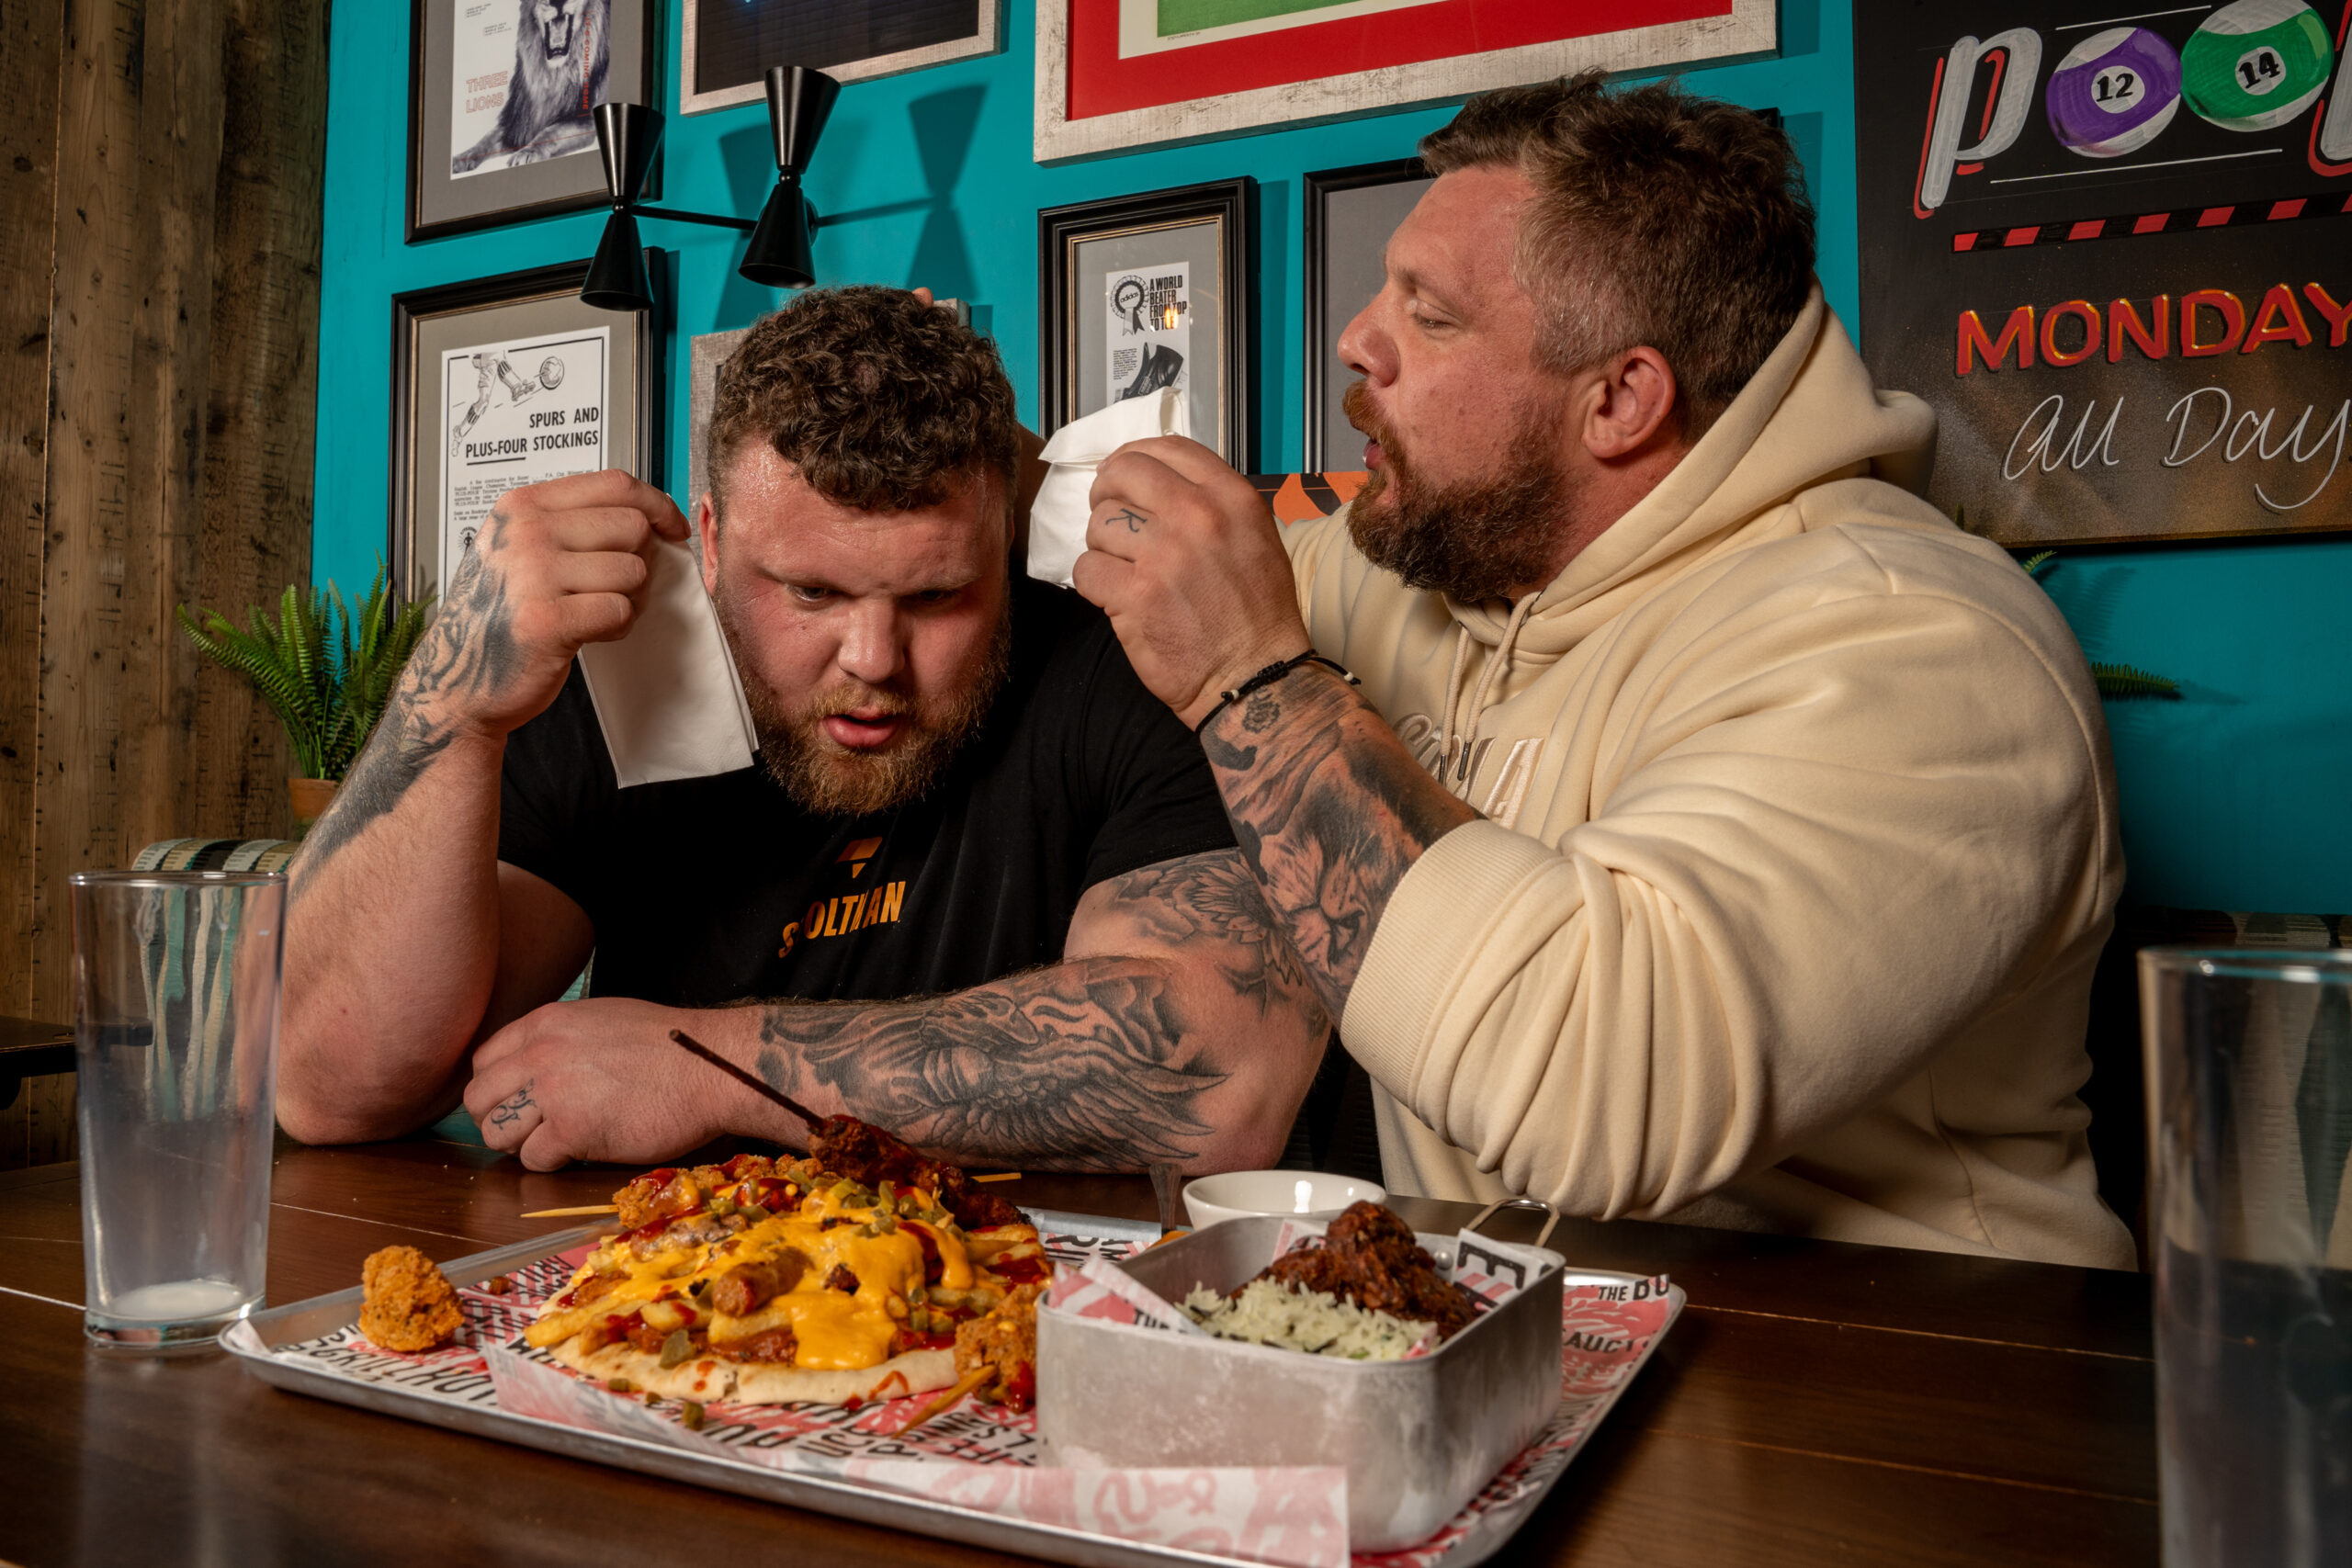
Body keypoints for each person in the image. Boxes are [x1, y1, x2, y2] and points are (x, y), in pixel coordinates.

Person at [1072, 75, 2136, 1267]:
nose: (1358, 340)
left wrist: (1249, 677)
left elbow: (1589, 1088)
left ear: (1622, 399)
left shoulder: (1924, 649)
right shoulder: (1455, 559)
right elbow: (1189, 570)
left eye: (1428, 314)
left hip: (1898, 1389)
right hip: (1514, 1349)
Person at [277, 286, 1329, 1174]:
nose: (874, 659)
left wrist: (709, 1067)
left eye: (937, 597)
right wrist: (447, 711)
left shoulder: (1127, 657)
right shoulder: (615, 676)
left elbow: (1216, 1082)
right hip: (649, 1310)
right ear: (715, 539)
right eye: (812, 592)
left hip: (1015, 1315)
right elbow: (332, 1090)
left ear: (1004, 539)